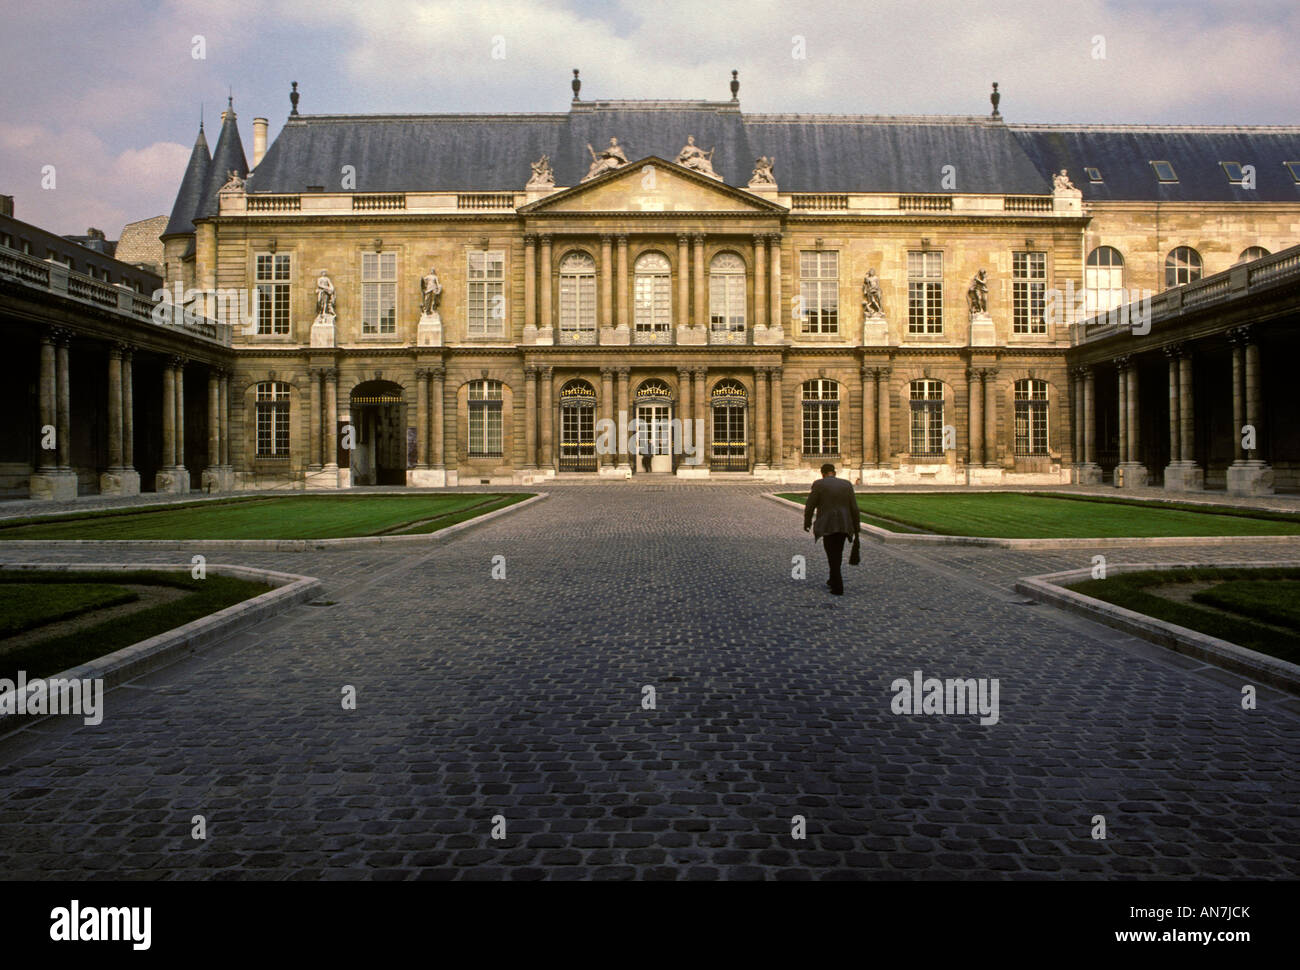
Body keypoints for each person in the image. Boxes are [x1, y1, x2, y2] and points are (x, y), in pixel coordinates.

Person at [803, 463, 860, 595]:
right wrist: (856, 526)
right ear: (834, 473)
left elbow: (810, 505)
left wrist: (807, 522)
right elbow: (854, 508)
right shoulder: (847, 484)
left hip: (828, 524)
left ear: (822, 474)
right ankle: (832, 578)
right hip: (844, 524)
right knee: (837, 553)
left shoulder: (819, 484)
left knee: (831, 554)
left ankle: (837, 584)